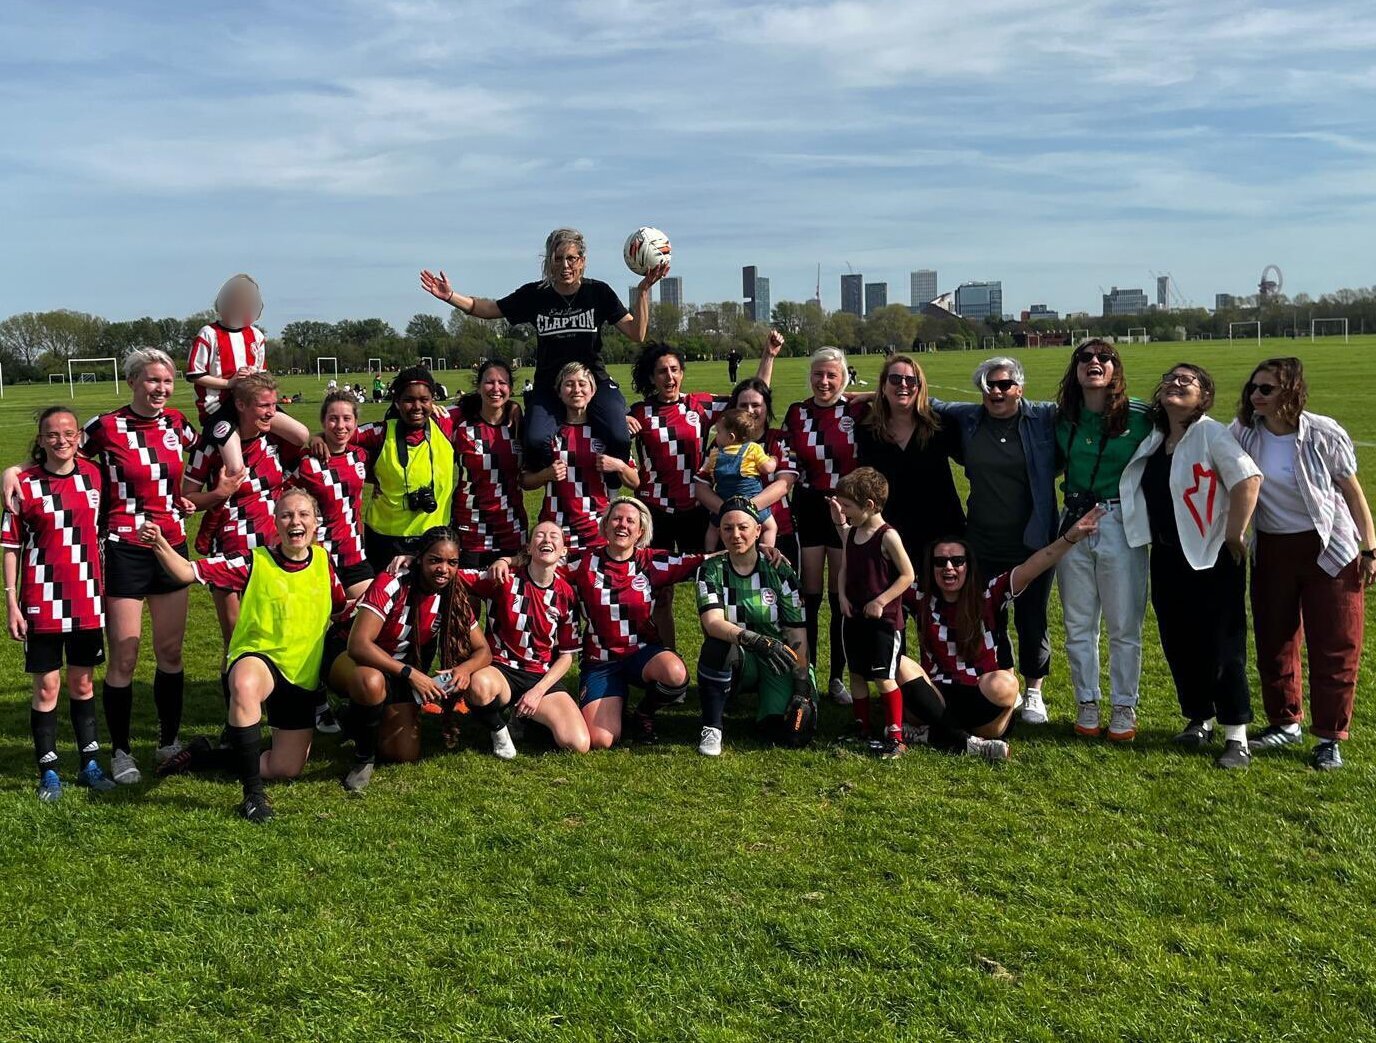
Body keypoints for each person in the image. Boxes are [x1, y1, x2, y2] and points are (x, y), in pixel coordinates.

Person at [142, 489, 348, 822]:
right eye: (286, 515)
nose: (295, 521)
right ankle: (253, 796)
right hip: (259, 661)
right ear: (276, 523)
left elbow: (341, 611)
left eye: (303, 515)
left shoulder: (325, 565)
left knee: (285, 768)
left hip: (302, 677)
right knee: (245, 682)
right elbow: (185, 572)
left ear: (315, 523)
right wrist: (159, 543)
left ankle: (203, 757)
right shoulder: (253, 561)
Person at [420, 228, 667, 478]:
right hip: (549, 384)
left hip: (593, 382)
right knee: (536, 440)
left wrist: (644, 291)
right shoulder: (536, 295)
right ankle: (560, 486)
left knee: (618, 436)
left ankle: (608, 492)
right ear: (549, 262)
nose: (565, 265)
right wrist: (450, 296)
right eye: (557, 259)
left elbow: (637, 333)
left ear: (582, 261)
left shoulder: (598, 292)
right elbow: (490, 308)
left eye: (571, 258)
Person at [1230, 358, 1376, 770]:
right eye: (1253, 388)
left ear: (1290, 392)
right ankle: (1284, 721)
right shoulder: (1243, 433)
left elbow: (1353, 494)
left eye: (1266, 389)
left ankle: (1329, 737)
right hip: (1273, 550)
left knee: (1336, 644)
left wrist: (1369, 549)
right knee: (1275, 640)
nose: (1255, 396)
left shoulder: (1323, 433)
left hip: (1331, 551)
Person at [1120, 363, 1261, 768]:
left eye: (1188, 381)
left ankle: (1237, 736)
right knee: (1179, 641)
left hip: (1212, 555)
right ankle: (1199, 718)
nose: (1176, 384)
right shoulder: (1157, 439)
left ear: (1204, 396)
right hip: (1167, 555)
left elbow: (1247, 479)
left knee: (1222, 645)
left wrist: (1234, 534)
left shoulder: (1209, 433)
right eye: (1170, 378)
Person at [902, 509, 1108, 764]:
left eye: (957, 561)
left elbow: (1035, 564)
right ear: (930, 567)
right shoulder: (919, 596)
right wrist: (846, 533)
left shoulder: (989, 593)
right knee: (900, 665)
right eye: (939, 562)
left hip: (979, 694)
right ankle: (964, 742)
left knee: (1006, 685)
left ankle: (931, 735)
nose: (948, 567)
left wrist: (1070, 538)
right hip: (936, 695)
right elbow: (879, 569)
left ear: (968, 565)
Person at [80, 349, 201, 783]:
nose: (161, 390)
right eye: (152, 381)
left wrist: (189, 496)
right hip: (124, 547)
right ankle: (122, 752)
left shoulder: (178, 424)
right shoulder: (105, 427)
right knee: (125, 657)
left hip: (170, 545)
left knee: (170, 652)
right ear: (132, 381)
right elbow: (58, 456)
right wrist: (17, 471)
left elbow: (198, 465)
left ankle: (168, 742)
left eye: (167, 383)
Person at [627, 336, 779, 648]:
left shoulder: (699, 404)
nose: (669, 377)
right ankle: (665, 659)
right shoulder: (638, 412)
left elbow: (751, 401)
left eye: (674, 370)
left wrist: (768, 355)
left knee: (713, 587)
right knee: (659, 594)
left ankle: (721, 664)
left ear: (682, 372)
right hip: (655, 512)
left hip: (697, 510)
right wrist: (621, 419)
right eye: (661, 372)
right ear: (651, 377)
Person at [935, 357, 1059, 725]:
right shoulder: (970, 418)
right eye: (989, 385)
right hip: (983, 539)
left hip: (1031, 539)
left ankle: (1034, 692)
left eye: (1005, 384)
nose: (996, 392)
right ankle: (1005, 681)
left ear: (1019, 388)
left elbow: (1084, 407)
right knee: (989, 616)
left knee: (1032, 615)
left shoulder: (1042, 418)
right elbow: (925, 400)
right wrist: (857, 395)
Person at [3, 407, 117, 799]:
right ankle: (48, 770)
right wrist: (11, 603)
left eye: (69, 432)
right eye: (52, 434)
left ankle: (89, 764)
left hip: (87, 596)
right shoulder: (24, 485)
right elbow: (11, 548)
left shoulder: (95, 477)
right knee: (48, 687)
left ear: (79, 438)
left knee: (83, 683)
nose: (61, 440)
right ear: (41, 440)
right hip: (42, 599)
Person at [328, 526, 491, 792]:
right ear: (419, 558)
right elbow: (358, 645)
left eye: (452, 562)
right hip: (350, 656)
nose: (443, 569)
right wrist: (411, 674)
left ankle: (358, 717)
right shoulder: (393, 580)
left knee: (404, 753)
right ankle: (363, 757)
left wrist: (464, 669)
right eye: (435, 560)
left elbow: (484, 650)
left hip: (398, 669)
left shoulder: (452, 592)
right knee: (370, 681)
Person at [1054, 339, 1153, 741]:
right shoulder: (1062, 417)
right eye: (1085, 358)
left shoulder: (1142, 417)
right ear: (1075, 368)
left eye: (1104, 358)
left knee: (1123, 623)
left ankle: (1124, 705)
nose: (1094, 363)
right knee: (1078, 622)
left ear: (1116, 368)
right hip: (1074, 519)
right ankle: (1087, 702)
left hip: (1120, 520)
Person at [558, 498, 707, 748]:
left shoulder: (652, 562)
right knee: (602, 740)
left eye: (630, 521)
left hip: (642, 653)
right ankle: (615, 701)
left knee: (675, 673)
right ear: (605, 526)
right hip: (601, 661)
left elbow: (704, 560)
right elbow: (541, 565)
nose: (622, 525)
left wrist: (757, 550)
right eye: (616, 519)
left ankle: (644, 714)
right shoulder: (583, 563)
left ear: (640, 532)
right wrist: (508, 562)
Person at [184, 373, 311, 662]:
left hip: (273, 550)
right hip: (230, 547)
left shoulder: (274, 441)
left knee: (279, 633)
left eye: (274, 405)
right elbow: (187, 498)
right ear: (240, 405)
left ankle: (276, 704)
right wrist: (218, 493)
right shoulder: (209, 447)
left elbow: (303, 442)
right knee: (236, 640)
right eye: (263, 405)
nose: (271, 412)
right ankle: (236, 705)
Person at [782, 347, 869, 704]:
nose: (824, 381)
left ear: (845, 377)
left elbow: (889, 390)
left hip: (846, 509)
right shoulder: (797, 413)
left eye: (832, 375)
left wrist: (855, 393)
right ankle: (809, 672)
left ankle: (837, 678)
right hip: (811, 506)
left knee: (841, 598)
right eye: (818, 374)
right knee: (811, 597)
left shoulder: (856, 410)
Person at [695, 498, 814, 756]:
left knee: (790, 734)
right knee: (717, 646)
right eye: (727, 528)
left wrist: (802, 686)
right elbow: (713, 622)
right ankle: (713, 726)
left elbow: (797, 632)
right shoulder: (711, 569)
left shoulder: (780, 570)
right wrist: (756, 641)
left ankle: (768, 705)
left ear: (758, 530)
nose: (735, 535)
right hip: (741, 652)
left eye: (743, 527)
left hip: (778, 657)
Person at [460, 521, 589, 756]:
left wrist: (537, 692)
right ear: (529, 548)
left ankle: (526, 719)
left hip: (538, 675)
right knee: (479, 686)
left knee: (577, 744)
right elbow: (455, 575)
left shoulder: (565, 593)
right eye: (540, 535)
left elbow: (567, 657)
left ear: (563, 551)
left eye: (554, 537)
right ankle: (499, 731)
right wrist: (414, 561)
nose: (547, 540)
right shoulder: (503, 578)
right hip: (501, 670)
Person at [830, 468, 916, 757]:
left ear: (868, 505)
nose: (843, 511)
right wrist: (841, 596)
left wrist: (881, 601)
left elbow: (907, 575)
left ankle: (895, 735)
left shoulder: (887, 536)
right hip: (853, 617)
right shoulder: (852, 532)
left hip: (883, 623)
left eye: (848, 506)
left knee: (883, 676)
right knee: (855, 673)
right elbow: (845, 568)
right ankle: (862, 727)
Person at [855, 353, 964, 572]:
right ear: (883, 386)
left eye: (910, 380)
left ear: (919, 386)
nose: (903, 385)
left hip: (941, 532)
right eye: (895, 380)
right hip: (891, 535)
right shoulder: (867, 430)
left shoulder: (940, 425)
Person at [341, 367, 458, 570]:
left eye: (424, 399)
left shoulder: (445, 422)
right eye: (409, 400)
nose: (417, 406)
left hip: (435, 537)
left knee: (429, 601)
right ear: (397, 402)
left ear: (433, 400)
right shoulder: (381, 432)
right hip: (385, 540)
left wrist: (513, 409)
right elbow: (339, 435)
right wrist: (367, 473)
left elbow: (483, 402)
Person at [523, 362, 639, 552]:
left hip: (598, 530)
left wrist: (618, 465)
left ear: (593, 391)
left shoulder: (607, 432)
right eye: (569, 384)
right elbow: (525, 481)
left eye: (582, 384)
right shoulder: (547, 433)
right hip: (555, 531)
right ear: (559, 392)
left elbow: (635, 481)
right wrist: (545, 475)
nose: (576, 390)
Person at [701, 378, 800, 568]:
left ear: (767, 407)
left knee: (783, 593)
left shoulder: (783, 439)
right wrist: (730, 511)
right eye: (743, 405)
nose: (749, 410)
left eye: (756, 405)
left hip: (779, 531)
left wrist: (742, 509)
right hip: (732, 534)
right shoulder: (719, 444)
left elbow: (784, 484)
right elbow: (700, 485)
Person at [448, 359, 528, 568]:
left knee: (507, 599)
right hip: (469, 528)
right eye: (489, 382)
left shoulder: (520, 426)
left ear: (510, 388)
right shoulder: (460, 423)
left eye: (502, 383)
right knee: (466, 599)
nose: (496, 388)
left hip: (511, 529)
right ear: (478, 386)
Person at [700, 407, 778, 549]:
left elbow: (707, 473)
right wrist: (774, 460)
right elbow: (767, 468)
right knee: (770, 527)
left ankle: (709, 554)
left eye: (718, 432)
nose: (716, 436)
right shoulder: (753, 448)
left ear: (730, 437)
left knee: (713, 528)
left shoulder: (715, 454)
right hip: (751, 502)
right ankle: (765, 554)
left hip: (725, 504)